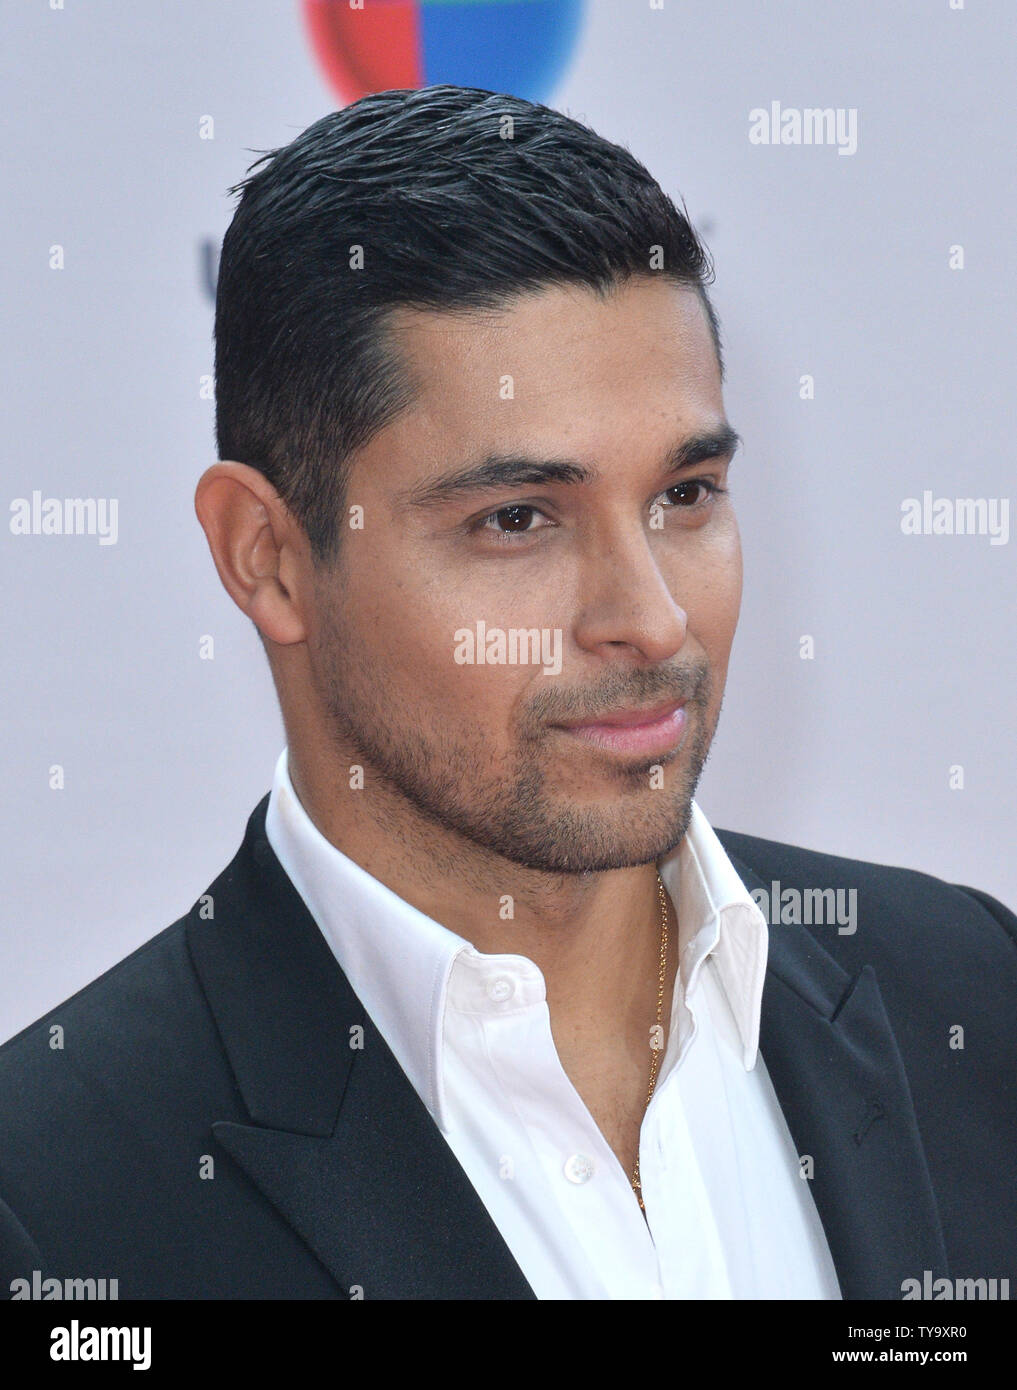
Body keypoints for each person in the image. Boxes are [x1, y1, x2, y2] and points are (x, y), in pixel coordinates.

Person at [1, 86, 1014, 1302]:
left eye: (684, 495)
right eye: (518, 518)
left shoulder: (970, 993)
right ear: (266, 555)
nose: (650, 618)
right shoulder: (53, 1206)